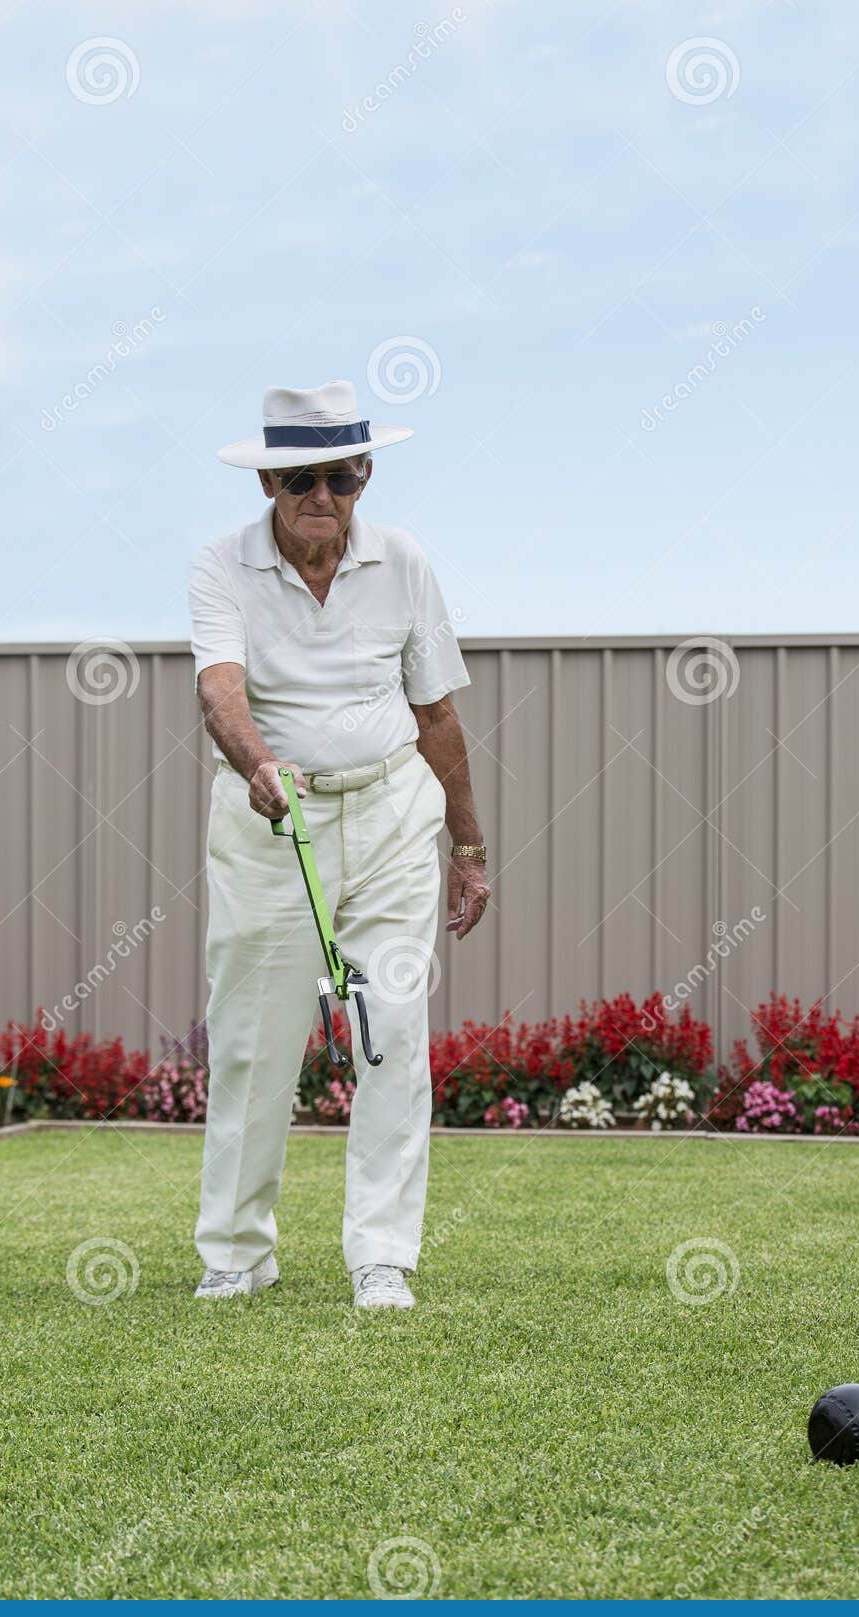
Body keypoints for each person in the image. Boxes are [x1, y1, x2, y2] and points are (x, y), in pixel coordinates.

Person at [187, 379, 488, 1310]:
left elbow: (435, 710)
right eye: (304, 479)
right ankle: (238, 1251)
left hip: (396, 814)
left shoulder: (403, 561)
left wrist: (468, 847)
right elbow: (220, 691)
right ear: (269, 483)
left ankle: (382, 1256)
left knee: (390, 1029)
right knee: (253, 1039)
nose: (325, 497)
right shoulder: (220, 568)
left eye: (345, 477)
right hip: (271, 820)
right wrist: (258, 764)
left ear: (365, 474)